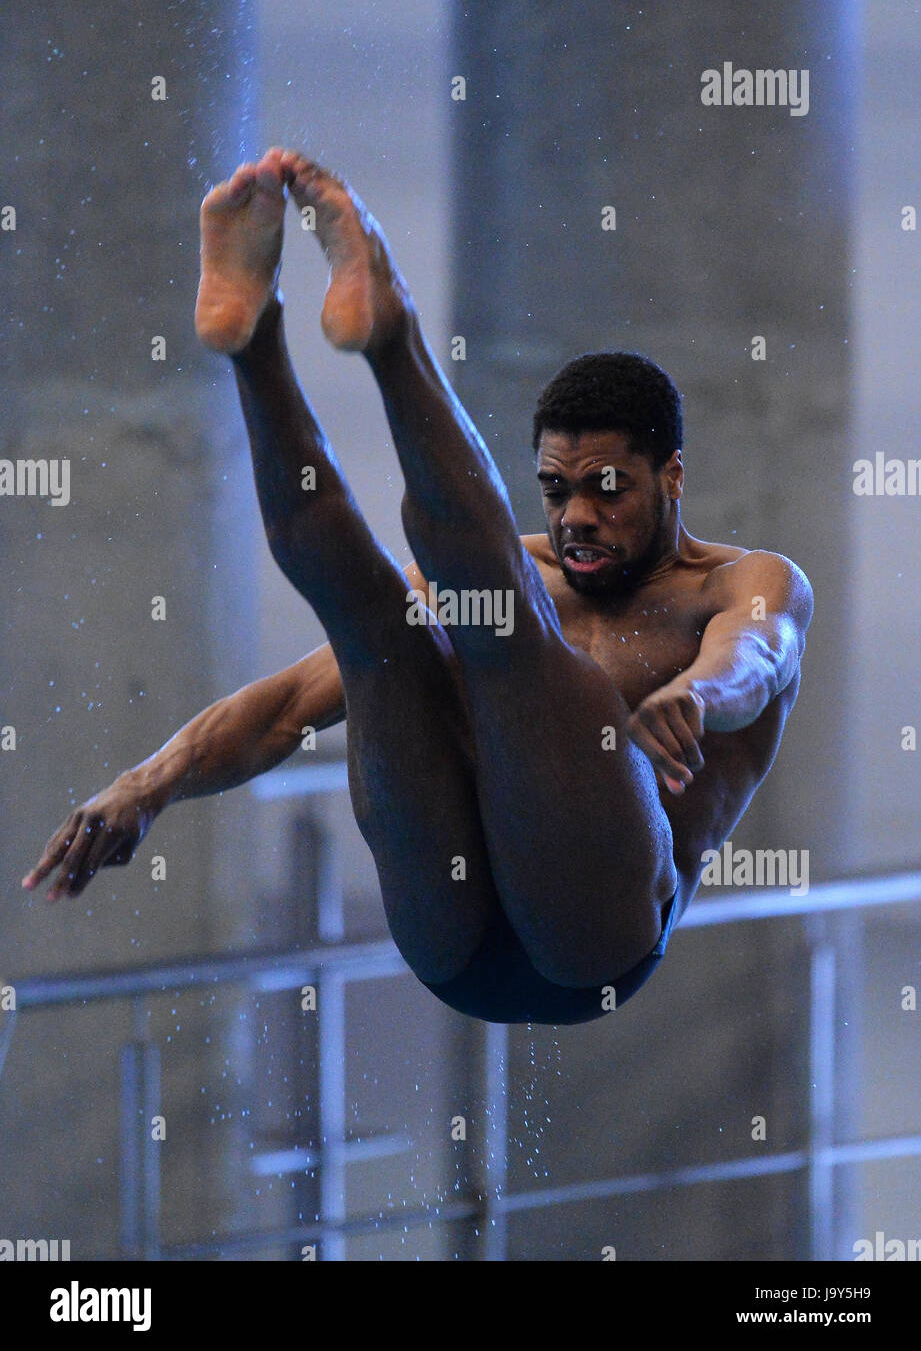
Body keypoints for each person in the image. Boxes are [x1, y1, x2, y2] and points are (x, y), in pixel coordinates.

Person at [23, 149, 814, 1024]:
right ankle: (253, 342)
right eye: (555, 489)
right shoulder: (511, 564)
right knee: (379, 632)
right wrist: (149, 782)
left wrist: (697, 696)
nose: (576, 516)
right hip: (449, 932)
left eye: (607, 488)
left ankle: (393, 334)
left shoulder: (739, 581)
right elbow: (288, 703)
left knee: (534, 651)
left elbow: (759, 652)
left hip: (594, 943)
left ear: (669, 476)